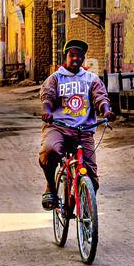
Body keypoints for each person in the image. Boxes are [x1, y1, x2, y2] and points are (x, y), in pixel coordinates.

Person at [40, 39, 111, 210]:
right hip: (58, 127)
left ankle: (85, 207)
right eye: (72, 55)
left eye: (79, 56)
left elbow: (100, 97)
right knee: (50, 150)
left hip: (83, 130)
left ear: (83, 58)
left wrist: (106, 110)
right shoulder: (55, 78)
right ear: (66, 56)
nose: (76, 59)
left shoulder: (91, 78)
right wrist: (47, 111)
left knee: (92, 178)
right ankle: (51, 186)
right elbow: (47, 96)